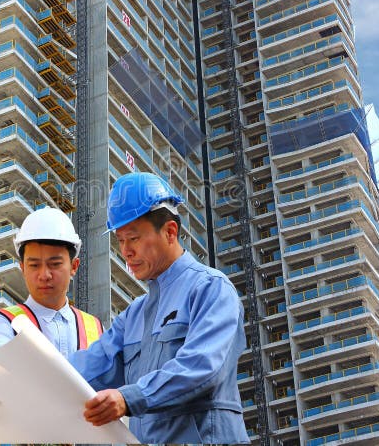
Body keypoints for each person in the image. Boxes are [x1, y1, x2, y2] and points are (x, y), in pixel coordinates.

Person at [69, 172, 251, 444]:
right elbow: (82, 371)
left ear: (169, 232)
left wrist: (129, 398)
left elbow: (202, 367)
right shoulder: (133, 316)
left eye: (133, 238)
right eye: (120, 241)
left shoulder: (211, 289)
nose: (126, 251)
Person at [0, 207, 102, 357]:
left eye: (55, 264)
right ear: (23, 268)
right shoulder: (5, 323)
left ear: (74, 266)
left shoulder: (96, 328)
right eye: (34, 265)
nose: (44, 275)